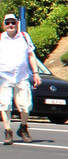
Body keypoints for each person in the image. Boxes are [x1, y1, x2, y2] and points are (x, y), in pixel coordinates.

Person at [0, 12, 40, 144]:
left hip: (22, 76)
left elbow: (31, 55)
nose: (10, 25)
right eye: (7, 23)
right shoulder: (1, 38)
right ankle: (8, 131)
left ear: (17, 23)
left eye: (13, 22)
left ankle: (23, 127)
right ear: (4, 25)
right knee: (5, 104)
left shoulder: (24, 37)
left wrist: (36, 73)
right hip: (4, 76)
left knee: (25, 106)